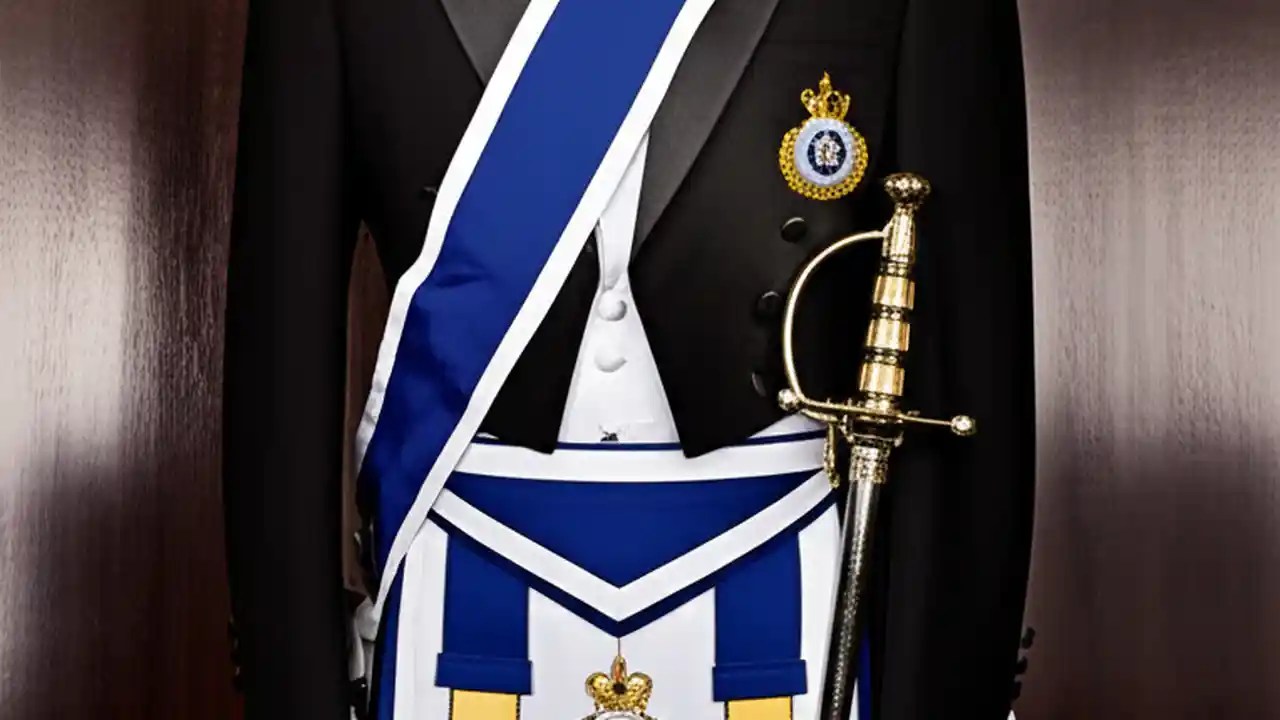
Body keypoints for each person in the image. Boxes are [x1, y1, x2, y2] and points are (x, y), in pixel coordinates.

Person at [222, 0, 1035, 718]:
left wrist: (946, 681)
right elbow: (279, 372)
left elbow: (967, 347)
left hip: (784, 583)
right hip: (460, 575)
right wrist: (294, 678)